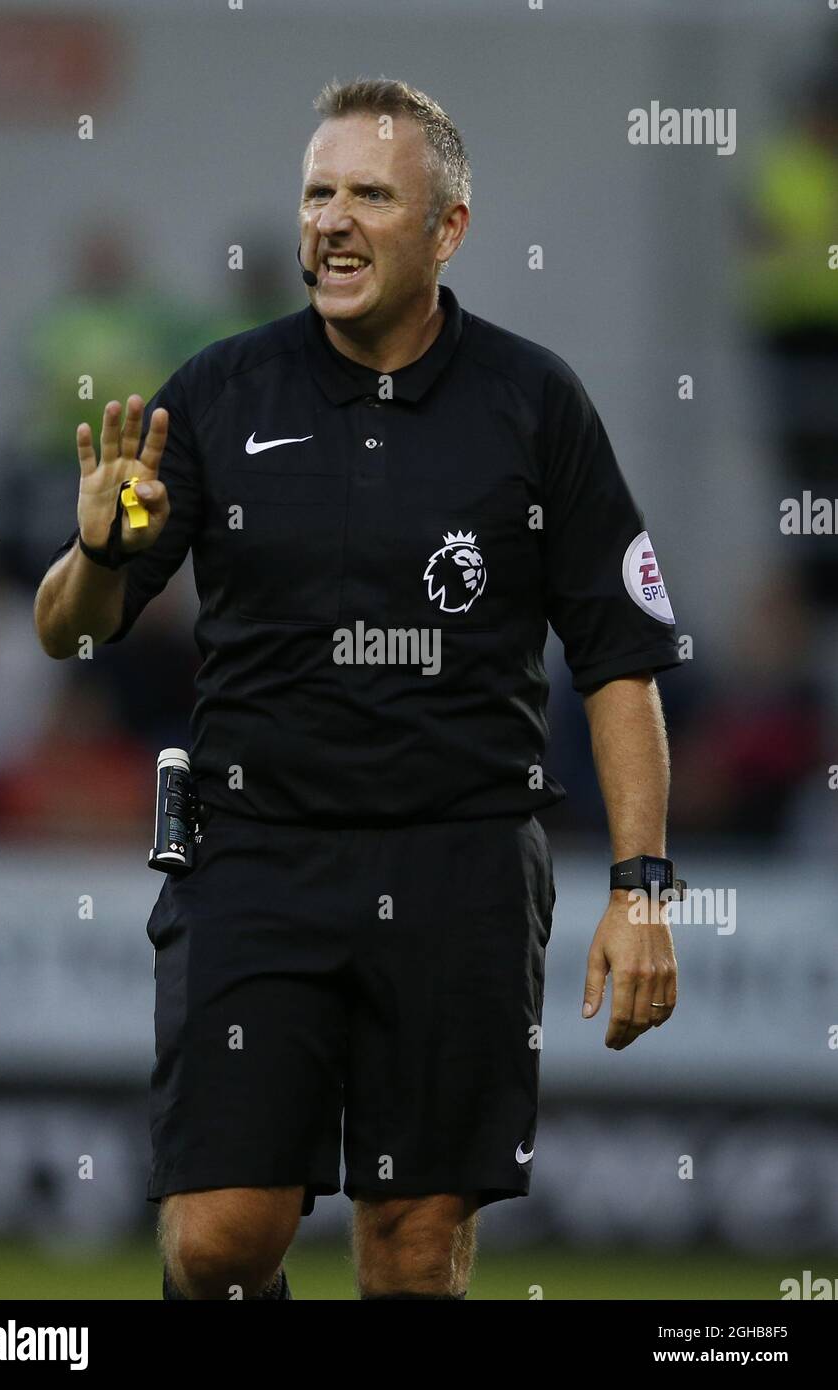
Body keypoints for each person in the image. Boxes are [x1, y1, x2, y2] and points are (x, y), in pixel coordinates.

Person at [34, 78, 682, 1302]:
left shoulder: (534, 405)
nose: (330, 220)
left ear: (447, 229)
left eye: (369, 195)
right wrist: (100, 555)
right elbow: (71, 634)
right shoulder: (217, 395)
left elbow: (621, 654)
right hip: (255, 855)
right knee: (223, 1244)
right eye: (316, 192)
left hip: (462, 865)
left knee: (412, 1248)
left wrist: (643, 885)